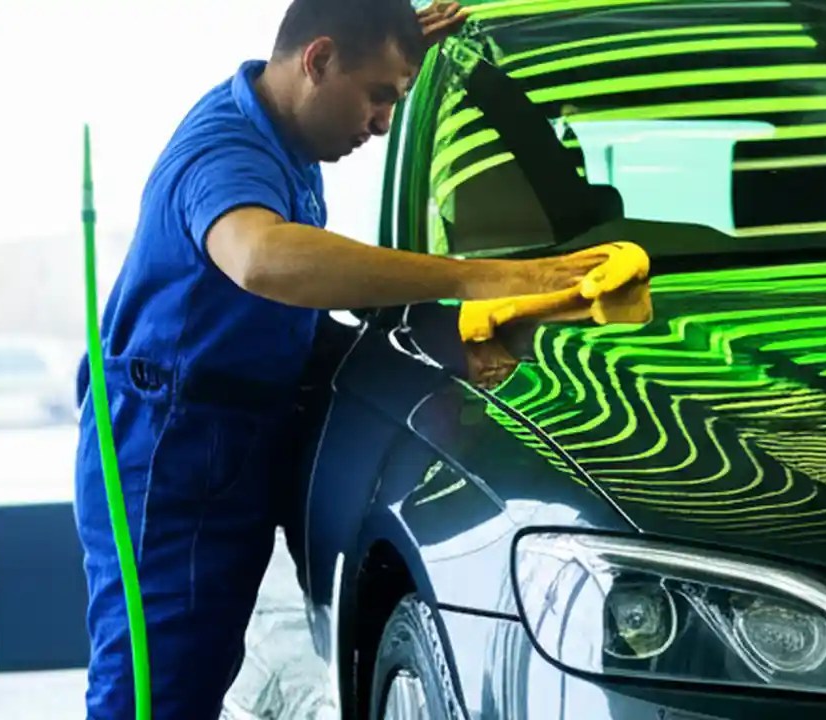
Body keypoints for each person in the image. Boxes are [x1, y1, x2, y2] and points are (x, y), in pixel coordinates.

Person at [72, 1, 611, 717]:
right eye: (379, 95)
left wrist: (390, 41)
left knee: (196, 671)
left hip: (227, 432)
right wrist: (472, 276)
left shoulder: (282, 135)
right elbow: (261, 258)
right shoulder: (225, 153)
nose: (384, 123)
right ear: (318, 61)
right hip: (170, 449)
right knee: (155, 689)